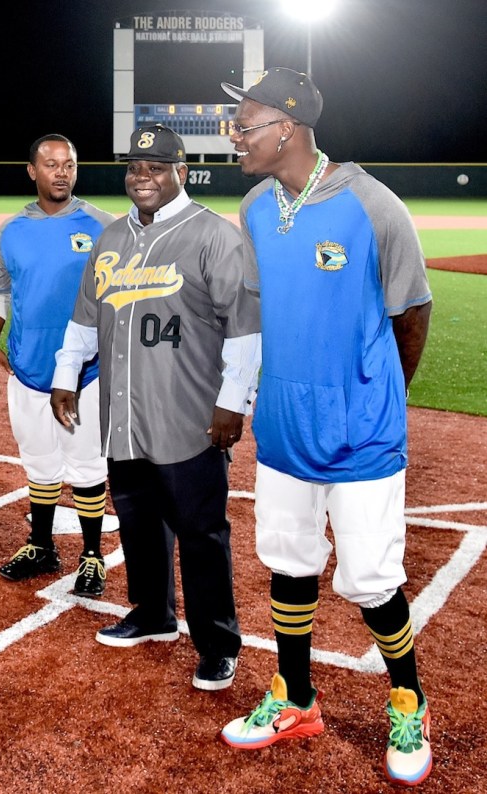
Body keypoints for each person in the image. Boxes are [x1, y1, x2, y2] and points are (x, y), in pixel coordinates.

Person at [216, 68, 434, 786]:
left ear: (286, 128)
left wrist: (381, 398)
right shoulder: (255, 205)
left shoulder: (372, 205)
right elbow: (253, 310)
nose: (234, 136)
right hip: (284, 427)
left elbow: (412, 312)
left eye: (244, 124)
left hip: (359, 434)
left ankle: (407, 702)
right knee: (288, 561)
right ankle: (296, 698)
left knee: (371, 577)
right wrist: (238, 396)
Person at [50, 124, 262, 690]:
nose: (142, 177)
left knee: (201, 532)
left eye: (157, 168)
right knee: (138, 520)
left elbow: (244, 329)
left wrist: (233, 402)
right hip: (123, 413)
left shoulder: (214, 236)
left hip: (188, 415)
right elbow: (86, 317)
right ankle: (152, 613)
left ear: (181, 173)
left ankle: (217, 642)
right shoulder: (111, 237)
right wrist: (66, 374)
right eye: (135, 167)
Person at [0, 134, 113, 598]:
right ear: (32, 171)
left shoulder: (102, 225)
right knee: (39, 463)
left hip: (86, 373)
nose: (62, 172)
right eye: (52, 164)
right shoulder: (11, 230)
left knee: (87, 467)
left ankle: (92, 555)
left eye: (69, 164)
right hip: (28, 368)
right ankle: (41, 546)